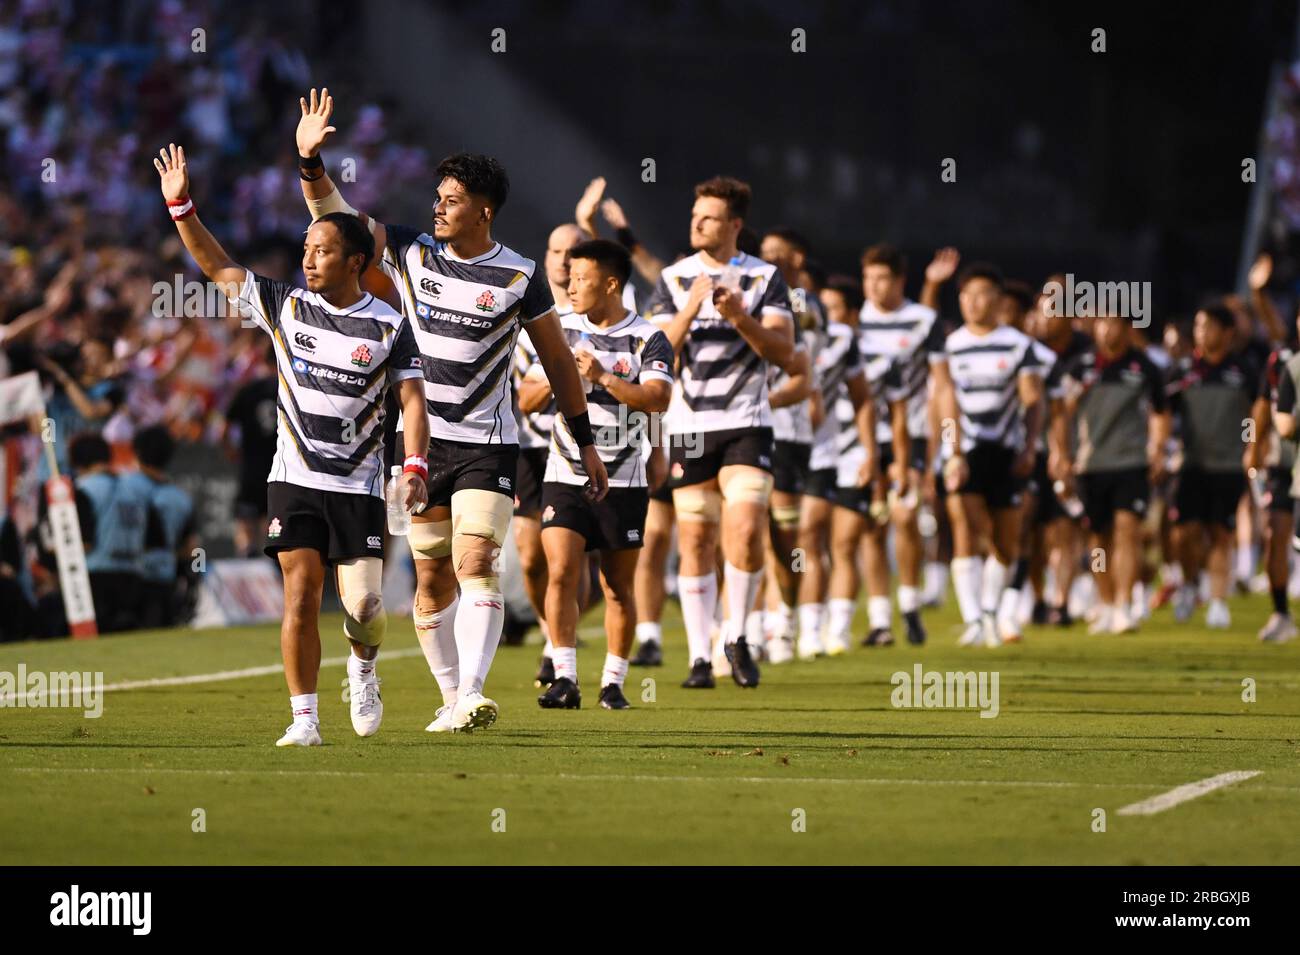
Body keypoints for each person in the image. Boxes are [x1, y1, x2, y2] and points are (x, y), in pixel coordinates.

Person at [295, 89, 607, 733]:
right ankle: (450, 698)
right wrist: (311, 164)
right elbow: (343, 222)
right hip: (417, 447)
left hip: (485, 445)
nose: (436, 208)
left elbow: (557, 364)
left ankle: (471, 692)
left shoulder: (521, 277)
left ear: (483, 211)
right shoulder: (411, 254)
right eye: (436, 198)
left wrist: (586, 441)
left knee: (477, 563)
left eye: (452, 200)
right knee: (432, 583)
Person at [154, 141, 430, 747]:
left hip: (358, 487)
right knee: (300, 597)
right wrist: (182, 209)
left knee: (362, 609)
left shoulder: (390, 326)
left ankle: (363, 669)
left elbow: (412, 401)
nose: (308, 260)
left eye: (323, 251)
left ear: (356, 261)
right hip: (294, 479)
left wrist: (414, 464)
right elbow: (219, 269)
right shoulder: (285, 306)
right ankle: (304, 719)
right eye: (306, 250)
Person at [644, 175, 794, 689]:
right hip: (690, 427)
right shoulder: (674, 278)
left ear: (734, 225)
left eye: (708, 217)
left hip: (747, 423)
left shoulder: (765, 278)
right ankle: (699, 657)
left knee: (748, 529)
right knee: (697, 540)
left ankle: (737, 635)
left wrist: (741, 317)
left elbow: (784, 353)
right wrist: (691, 308)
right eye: (694, 215)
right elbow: (658, 352)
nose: (697, 223)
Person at [531, 240, 674, 709]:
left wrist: (603, 378)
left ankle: (612, 682)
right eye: (568, 278)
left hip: (625, 477)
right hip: (564, 469)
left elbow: (657, 399)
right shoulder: (558, 329)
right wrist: (560, 378)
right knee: (562, 572)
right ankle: (564, 678)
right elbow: (526, 398)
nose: (570, 286)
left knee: (616, 586)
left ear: (611, 284)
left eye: (581, 279)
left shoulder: (648, 338)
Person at [931, 263, 1046, 648]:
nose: (973, 303)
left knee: (1005, 540)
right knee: (966, 528)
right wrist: (951, 451)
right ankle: (975, 620)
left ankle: (993, 612)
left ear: (997, 301)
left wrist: (1030, 448)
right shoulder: (950, 345)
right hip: (967, 452)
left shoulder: (1018, 344)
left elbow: (1033, 400)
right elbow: (944, 401)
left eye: (982, 295)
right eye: (966, 296)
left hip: (1006, 451)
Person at [1052, 313, 1170, 634]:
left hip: (1131, 463)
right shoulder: (1082, 367)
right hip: (1090, 464)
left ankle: (1122, 604)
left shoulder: (1144, 367)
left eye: (1114, 323)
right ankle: (1104, 600)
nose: (1107, 329)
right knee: (1099, 540)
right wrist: (1061, 454)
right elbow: (1061, 413)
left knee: (1127, 530)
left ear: (1127, 328)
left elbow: (1161, 412)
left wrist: (1158, 449)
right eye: (1101, 322)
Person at [1167, 301, 1260, 628]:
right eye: (1198, 326)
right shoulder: (1182, 372)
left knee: (1221, 533)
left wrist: (1249, 446)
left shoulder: (1244, 371)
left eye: (1208, 326)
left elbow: (1255, 413)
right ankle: (1190, 584)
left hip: (1228, 465)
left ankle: (1218, 600)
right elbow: (1162, 411)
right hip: (1191, 464)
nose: (1201, 333)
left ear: (1227, 332)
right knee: (1184, 534)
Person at [65, 433, 157, 634]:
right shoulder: (138, 489)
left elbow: (84, 542)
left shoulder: (83, 489)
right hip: (134, 575)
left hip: (96, 576)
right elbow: (153, 540)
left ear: (78, 462)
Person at [122, 425, 197, 629]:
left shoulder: (124, 486)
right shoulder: (181, 498)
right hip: (165, 576)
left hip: (128, 575)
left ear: (137, 452)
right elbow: (191, 549)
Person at [223, 343, 278, 558]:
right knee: (271, 525)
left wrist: (231, 451)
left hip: (250, 468)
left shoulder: (247, 390)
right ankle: (269, 572)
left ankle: (246, 560)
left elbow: (224, 428)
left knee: (245, 524)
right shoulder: (289, 389)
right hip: (279, 470)